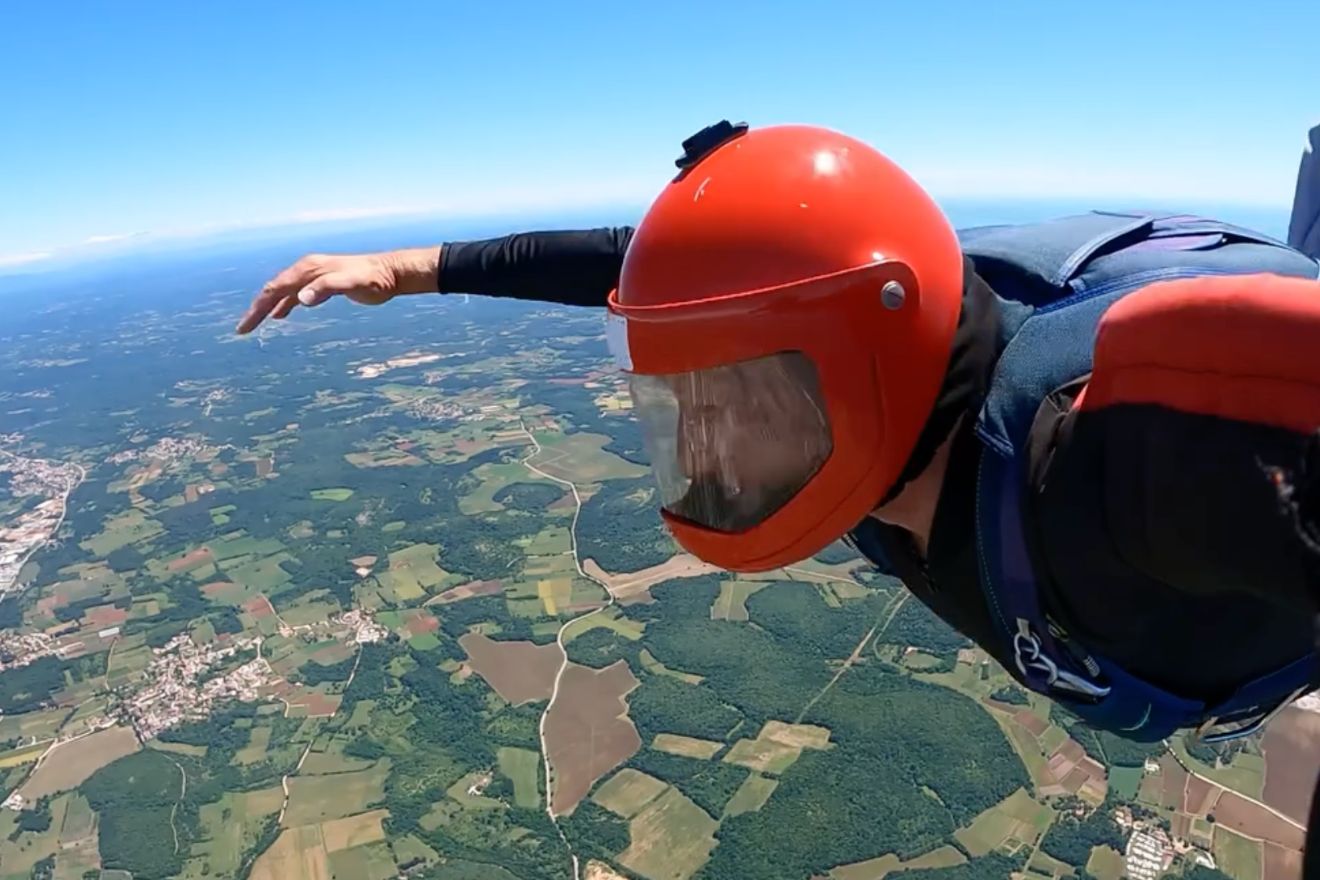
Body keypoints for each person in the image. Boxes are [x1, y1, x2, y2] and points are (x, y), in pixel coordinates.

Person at [236, 120, 1320, 749]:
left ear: (858, 370)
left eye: (731, 400)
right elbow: (649, 267)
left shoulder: (1114, 467)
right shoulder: (893, 361)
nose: (703, 442)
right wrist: (415, 269)